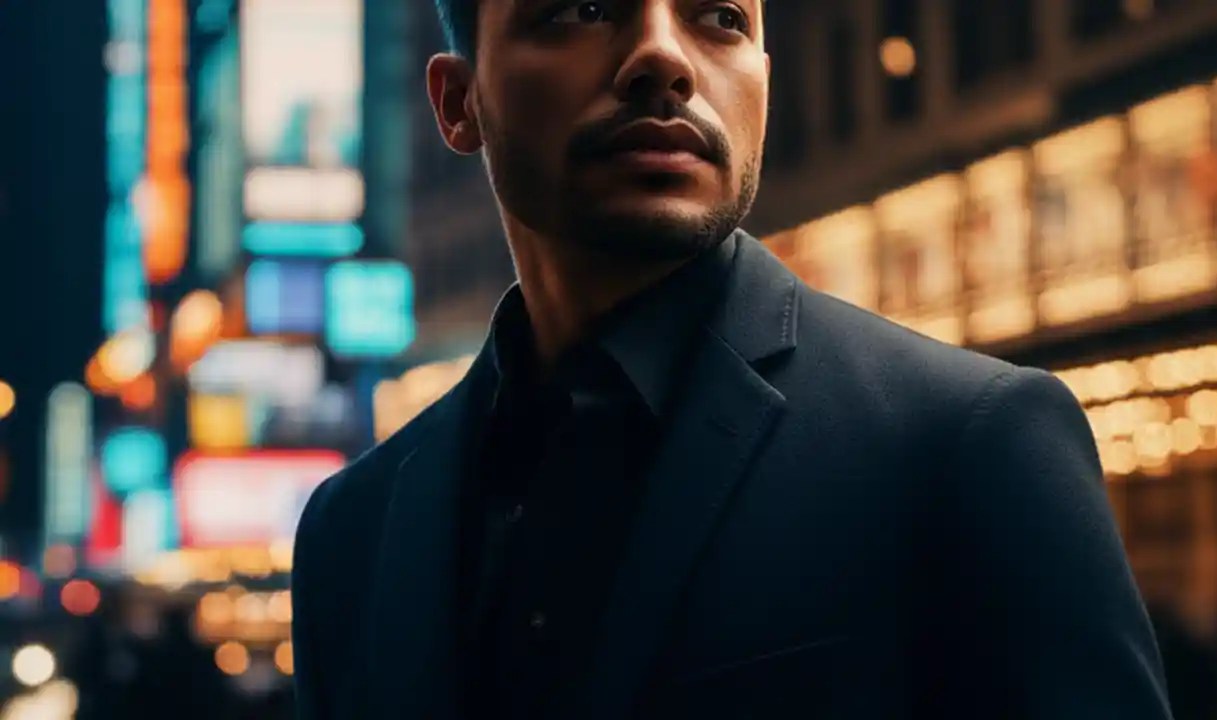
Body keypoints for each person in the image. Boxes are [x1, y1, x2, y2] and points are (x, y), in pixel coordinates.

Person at [290, 1, 1172, 718]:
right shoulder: (352, 531)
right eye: (583, 10)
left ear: (764, 82)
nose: (663, 58)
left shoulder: (969, 444)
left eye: (719, 18)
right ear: (458, 102)